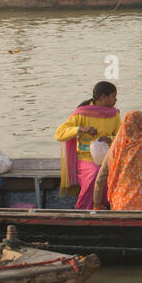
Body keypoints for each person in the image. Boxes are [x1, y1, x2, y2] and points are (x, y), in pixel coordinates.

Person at [55, 81, 121, 210]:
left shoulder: (114, 114)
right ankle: (84, 208)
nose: (116, 100)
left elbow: (121, 137)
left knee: (121, 172)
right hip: (85, 158)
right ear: (103, 97)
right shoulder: (81, 113)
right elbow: (59, 134)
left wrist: (109, 139)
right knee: (96, 173)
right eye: (113, 96)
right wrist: (81, 130)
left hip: (107, 157)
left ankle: (109, 205)